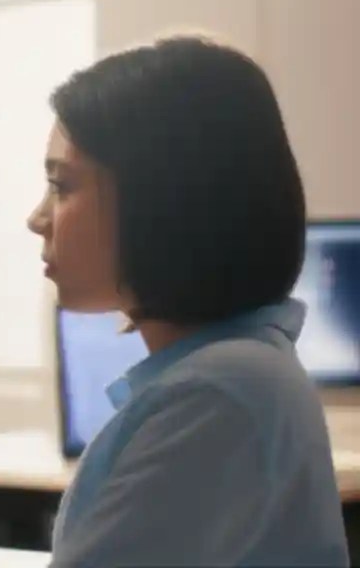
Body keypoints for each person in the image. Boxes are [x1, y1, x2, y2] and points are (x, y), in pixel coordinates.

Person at [27, 36, 350, 566]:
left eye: (61, 187)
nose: (38, 219)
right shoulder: (237, 372)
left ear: (158, 198)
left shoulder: (216, 395)